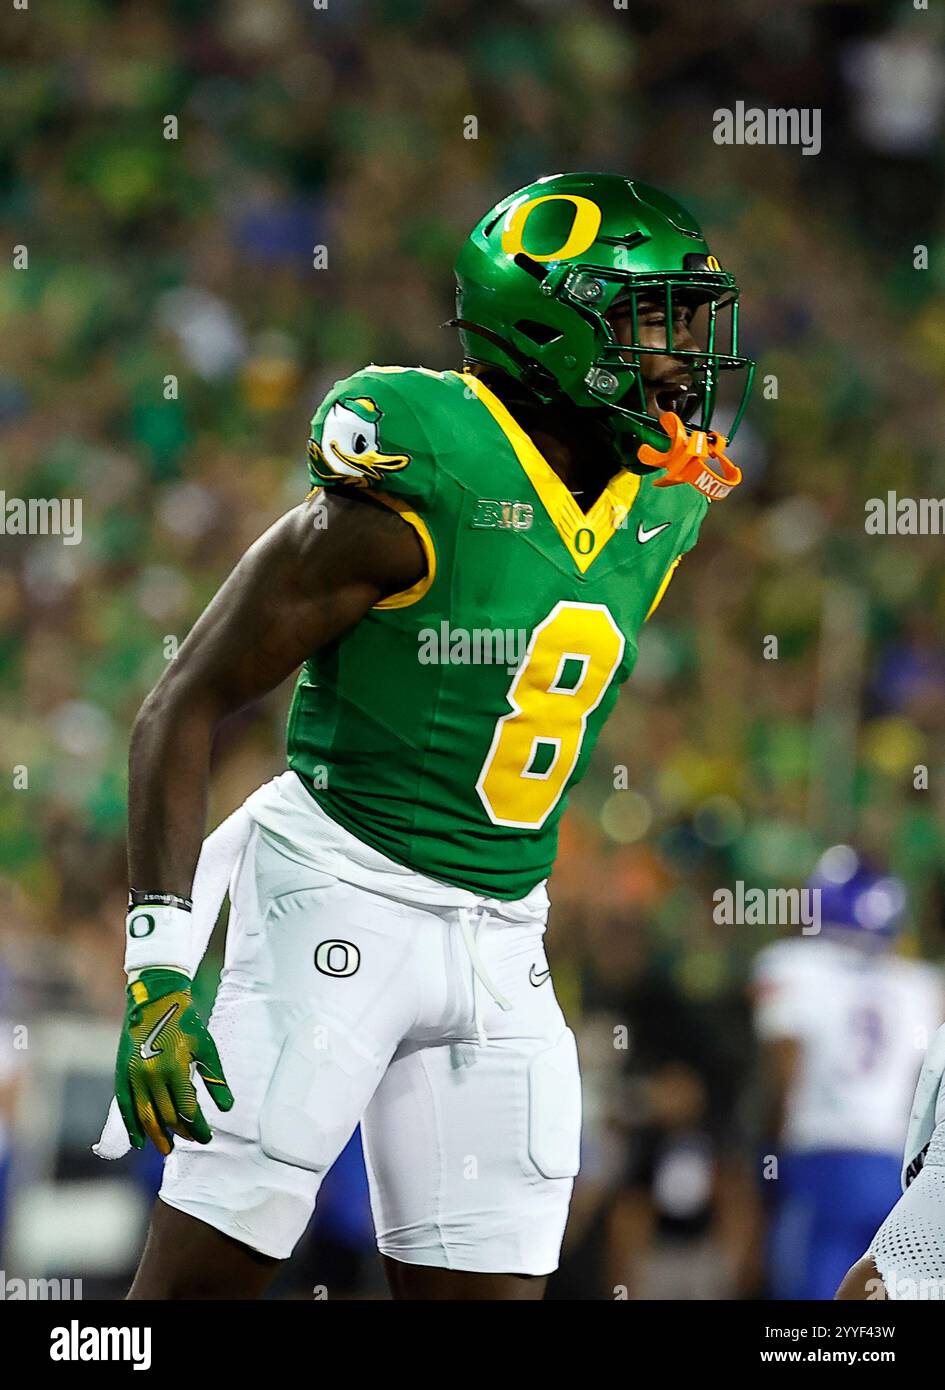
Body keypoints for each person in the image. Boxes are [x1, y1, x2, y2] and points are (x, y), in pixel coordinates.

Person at [94, 172, 754, 1300]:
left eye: (691, 322)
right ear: (553, 328)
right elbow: (185, 700)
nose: (685, 355)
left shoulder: (669, 494)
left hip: (505, 933)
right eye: (654, 321)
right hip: (336, 895)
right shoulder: (425, 474)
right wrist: (159, 973)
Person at [753, 846, 943, 1300]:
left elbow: (784, 1070)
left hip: (824, 1159)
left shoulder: (792, 966)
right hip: (897, 1168)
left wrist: (766, 1151)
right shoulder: (921, 984)